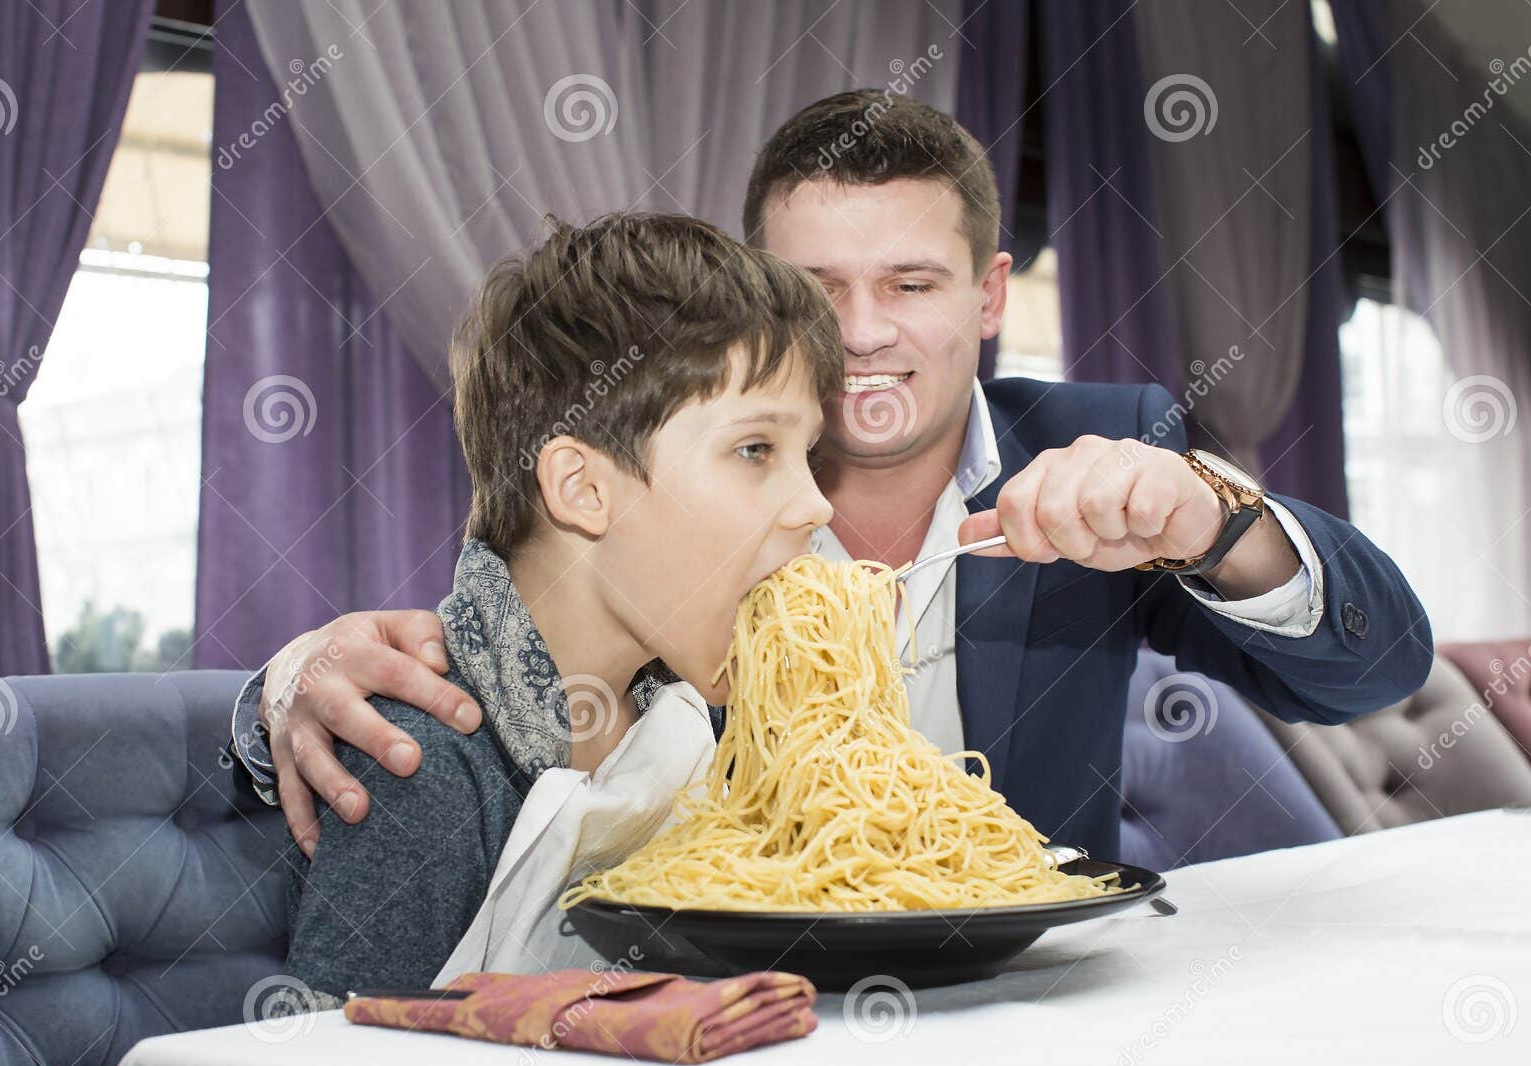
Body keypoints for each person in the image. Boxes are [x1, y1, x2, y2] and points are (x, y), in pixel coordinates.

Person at [232, 90, 1432, 868]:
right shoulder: (678, 477)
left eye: (910, 284)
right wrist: (283, 681)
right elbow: (477, 665)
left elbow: (1375, 667)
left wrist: (1212, 518)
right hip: (730, 1010)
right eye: (815, 288)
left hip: (1032, 1009)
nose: (859, 333)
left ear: (988, 294)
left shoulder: (1100, 446)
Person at [274, 211, 839, 999]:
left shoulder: (709, 737)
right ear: (583, 489)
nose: (816, 505)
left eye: (808, 456)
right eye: (755, 450)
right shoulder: (423, 764)